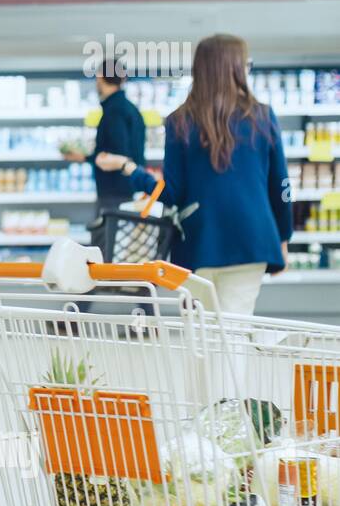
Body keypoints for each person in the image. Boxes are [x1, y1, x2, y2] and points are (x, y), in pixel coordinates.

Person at [95, 34, 292, 315]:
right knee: (234, 333)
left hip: (200, 242)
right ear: (236, 68)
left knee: (204, 335)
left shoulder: (180, 121)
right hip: (253, 241)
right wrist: (283, 238)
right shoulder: (262, 117)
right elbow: (281, 186)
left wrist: (130, 169)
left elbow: (171, 194)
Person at [61, 59, 146, 250]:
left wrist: (86, 157)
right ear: (122, 78)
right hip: (129, 191)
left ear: (100, 76)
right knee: (123, 250)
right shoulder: (131, 110)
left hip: (113, 195)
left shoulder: (114, 112)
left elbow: (118, 155)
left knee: (104, 251)